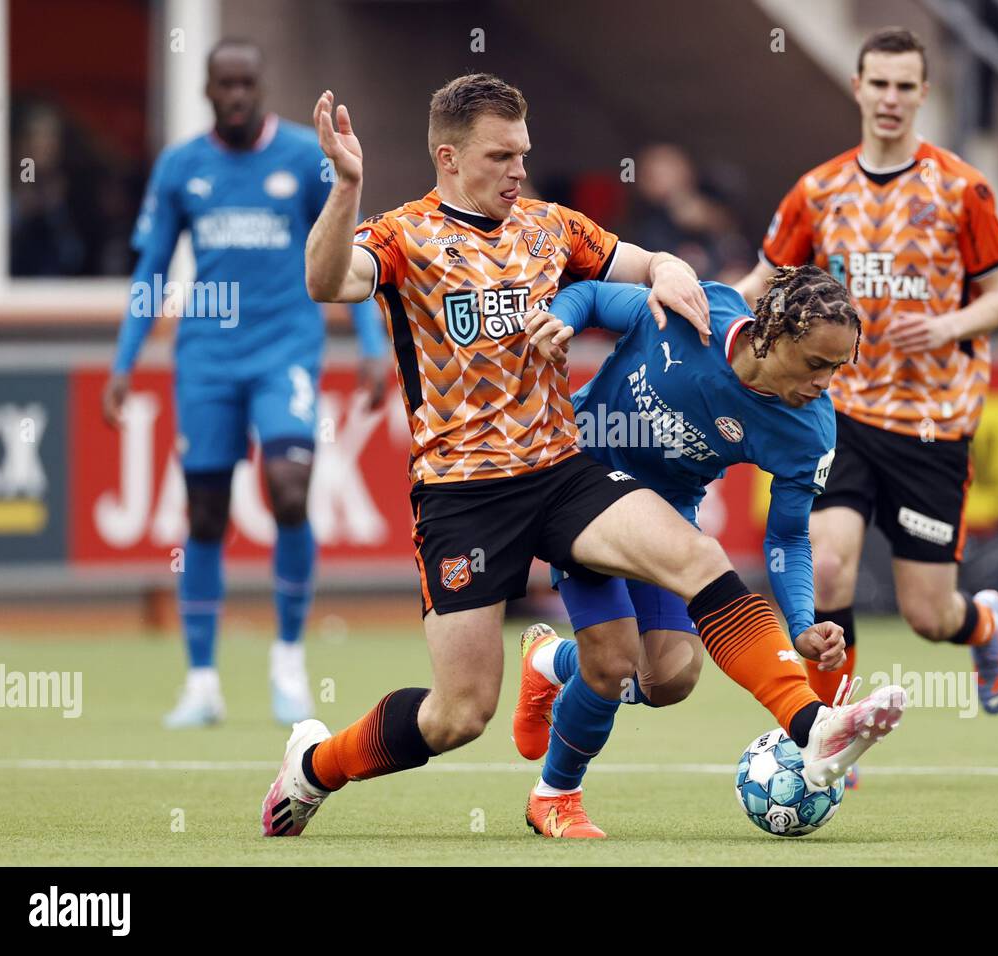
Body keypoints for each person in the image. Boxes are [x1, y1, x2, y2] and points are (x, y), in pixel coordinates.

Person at [261, 73, 905, 838]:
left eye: (523, 153)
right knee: (458, 715)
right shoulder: (405, 236)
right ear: (449, 157)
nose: (519, 169)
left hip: (566, 469)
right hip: (462, 494)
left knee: (696, 561)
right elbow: (326, 279)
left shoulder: (551, 228)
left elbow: (644, 267)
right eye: (501, 155)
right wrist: (348, 188)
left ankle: (810, 725)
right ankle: (314, 766)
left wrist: (669, 271)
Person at [513, 264, 889, 838]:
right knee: (613, 664)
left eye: (839, 367)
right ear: (769, 335)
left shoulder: (808, 430)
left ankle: (548, 664)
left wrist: (804, 622)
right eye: (816, 363)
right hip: (577, 479)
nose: (825, 383)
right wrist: (559, 323)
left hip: (664, 515)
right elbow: (589, 296)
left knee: (670, 679)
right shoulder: (694, 311)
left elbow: (788, 535)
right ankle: (555, 793)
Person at [103, 39, 389, 728]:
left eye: (246, 84)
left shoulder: (301, 158)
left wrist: (374, 345)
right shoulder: (181, 167)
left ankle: (288, 657)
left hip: (286, 349)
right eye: (223, 84)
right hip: (205, 356)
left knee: (289, 489)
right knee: (204, 512)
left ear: (260, 88)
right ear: (206, 90)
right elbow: (151, 271)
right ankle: (202, 682)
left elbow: (357, 250)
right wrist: (123, 363)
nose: (235, 95)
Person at [735, 27, 998, 719]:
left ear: (923, 94)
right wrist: (692, 311)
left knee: (928, 614)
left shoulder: (962, 190)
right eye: (878, 83)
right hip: (842, 415)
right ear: (858, 87)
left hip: (932, 423)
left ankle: (983, 626)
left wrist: (947, 325)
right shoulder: (819, 190)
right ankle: (829, 732)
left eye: (904, 85)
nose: (890, 98)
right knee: (826, 566)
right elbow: (762, 283)